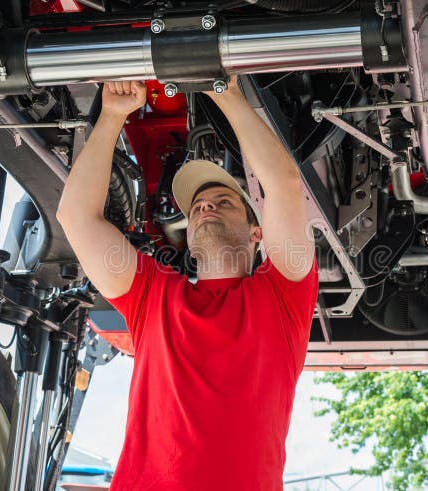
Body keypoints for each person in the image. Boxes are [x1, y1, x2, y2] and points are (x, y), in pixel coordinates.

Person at [57, 77, 318, 490]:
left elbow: (283, 185)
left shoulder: (284, 296)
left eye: (224, 202)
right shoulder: (151, 295)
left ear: (257, 232)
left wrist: (223, 91)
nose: (206, 206)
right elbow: (76, 217)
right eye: (197, 206)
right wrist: (109, 118)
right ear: (187, 233)